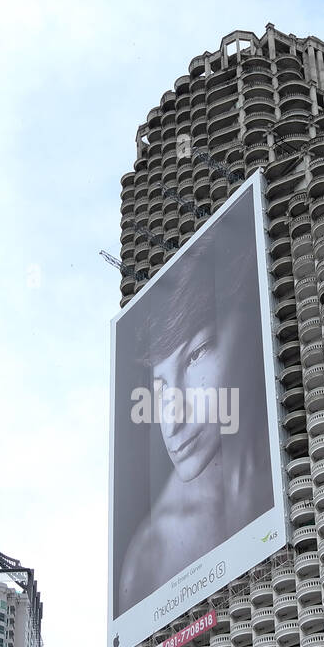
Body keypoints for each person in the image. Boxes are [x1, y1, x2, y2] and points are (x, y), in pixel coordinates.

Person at [116, 220, 272, 617]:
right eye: (161, 386)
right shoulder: (149, 561)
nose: (173, 421)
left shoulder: (299, 459)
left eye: (198, 353)